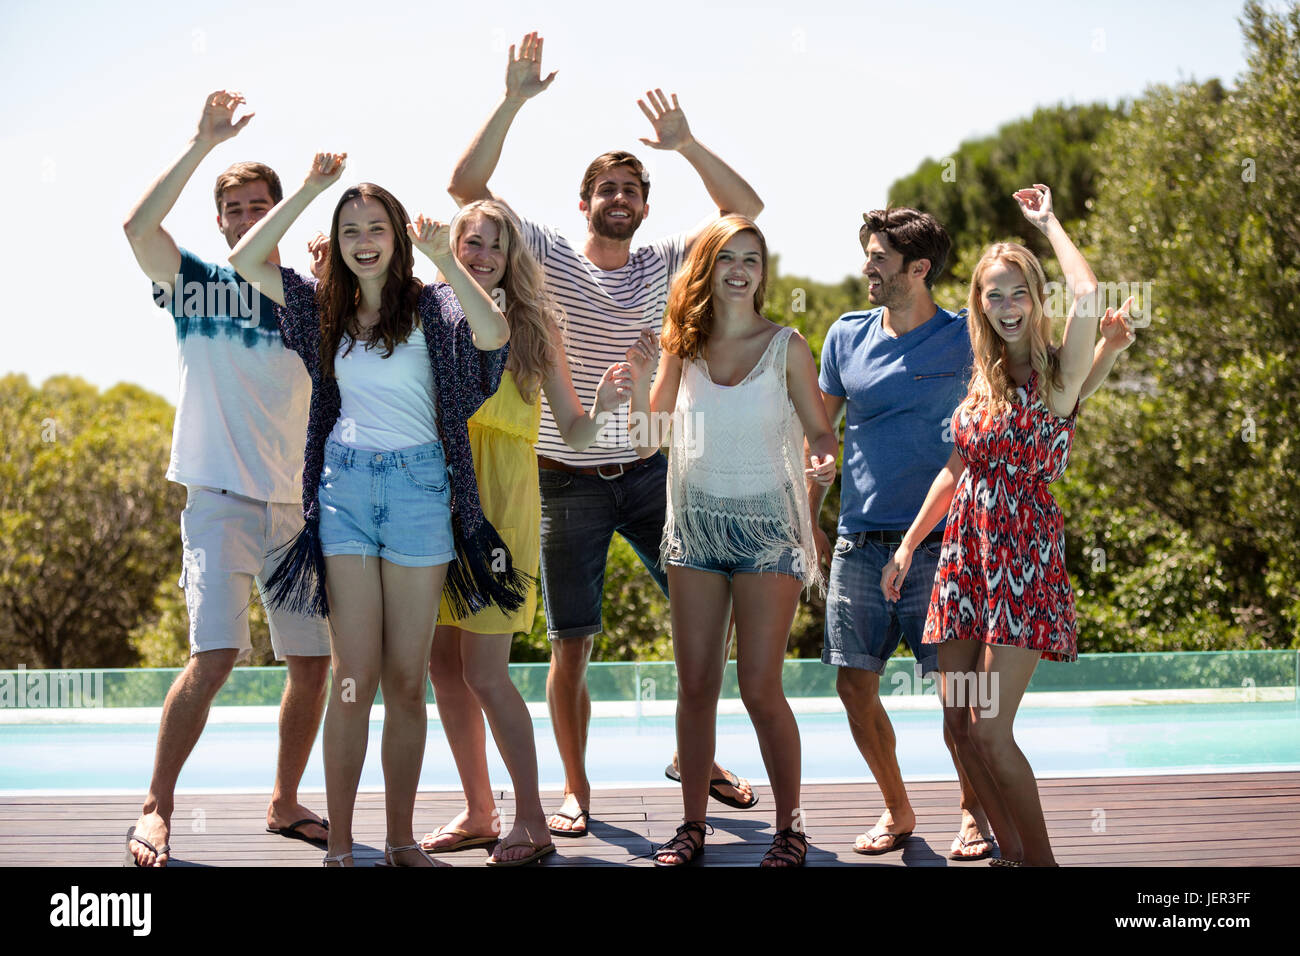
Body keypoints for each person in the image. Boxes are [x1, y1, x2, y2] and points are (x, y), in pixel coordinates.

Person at [447, 31, 766, 836]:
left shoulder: (665, 259)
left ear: (646, 206)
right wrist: (514, 98)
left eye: (632, 187)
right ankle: (576, 789)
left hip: (653, 474)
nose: (619, 197)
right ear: (583, 200)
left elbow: (745, 213)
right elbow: (466, 187)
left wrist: (685, 142)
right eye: (606, 187)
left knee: (711, 618)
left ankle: (699, 754)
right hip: (564, 476)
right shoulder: (548, 253)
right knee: (571, 645)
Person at [812, 205, 1133, 860]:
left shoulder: (1055, 374)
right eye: (995, 294)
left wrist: (1048, 225)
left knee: (988, 728)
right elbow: (956, 469)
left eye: (1019, 293)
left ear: (1034, 299)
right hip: (961, 562)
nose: (1008, 305)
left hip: (1021, 564)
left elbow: (1089, 296)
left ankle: (1038, 860)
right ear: (980, 303)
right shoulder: (981, 380)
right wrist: (906, 546)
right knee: (961, 725)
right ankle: (1012, 855)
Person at [229, 152, 516, 867]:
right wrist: (309, 189)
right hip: (346, 492)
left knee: (405, 681)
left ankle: (398, 841)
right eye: (350, 227)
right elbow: (245, 257)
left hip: (422, 491)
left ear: (395, 236)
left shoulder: (435, 304)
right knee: (352, 675)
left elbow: (493, 336)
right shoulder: (318, 307)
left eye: (377, 227)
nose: (363, 239)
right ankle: (343, 847)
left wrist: (444, 256)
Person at [121, 90, 331, 867]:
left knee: (314, 666)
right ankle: (156, 806)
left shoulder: (310, 304)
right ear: (221, 223)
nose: (247, 217)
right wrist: (203, 140)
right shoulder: (197, 286)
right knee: (214, 658)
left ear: (279, 211)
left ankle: (283, 803)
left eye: (259, 205)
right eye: (234, 208)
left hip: (298, 514)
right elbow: (137, 229)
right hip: (219, 504)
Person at [419, 200, 632, 865]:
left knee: (485, 671)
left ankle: (533, 819)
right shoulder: (432, 311)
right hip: (435, 500)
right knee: (442, 668)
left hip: (501, 508)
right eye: (469, 243)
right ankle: (481, 810)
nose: (481, 255)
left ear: (513, 257)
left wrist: (602, 407)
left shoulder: (536, 327)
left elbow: (573, 432)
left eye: (493, 245)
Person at [626, 216, 838, 867]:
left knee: (758, 687)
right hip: (695, 529)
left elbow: (821, 434)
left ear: (762, 273)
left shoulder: (787, 346)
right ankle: (692, 826)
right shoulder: (681, 346)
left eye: (752, 259)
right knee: (694, 684)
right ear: (708, 270)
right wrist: (635, 382)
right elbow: (648, 435)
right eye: (727, 259)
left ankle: (790, 828)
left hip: (770, 532)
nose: (741, 270)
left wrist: (823, 465)